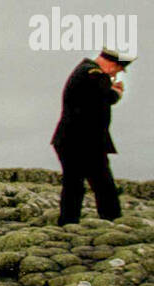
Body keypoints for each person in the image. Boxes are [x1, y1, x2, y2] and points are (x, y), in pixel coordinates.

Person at [50, 47, 133, 225]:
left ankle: (68, 222)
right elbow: (105, 97)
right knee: (103, 183)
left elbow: (93, 98)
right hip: (85, 141)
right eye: (117, 70)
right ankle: (112, 219)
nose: (115, 75)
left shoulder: (84, 71)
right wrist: (116, 92)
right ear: (112, 64)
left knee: (74, 184)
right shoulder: (94, 73)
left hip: (70, 139)